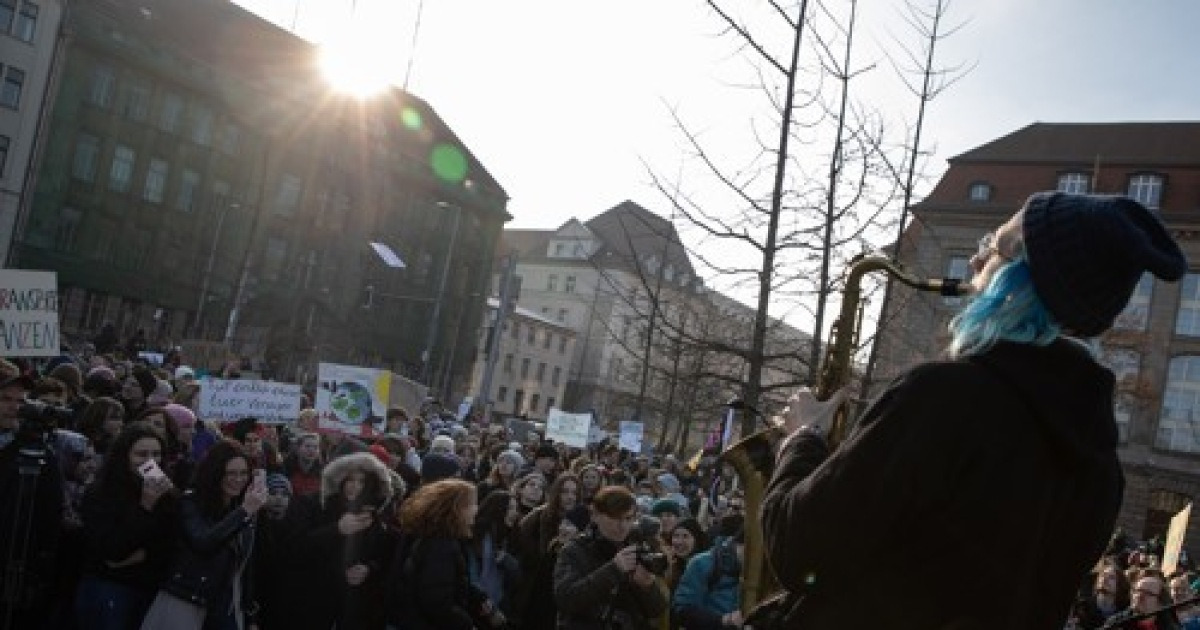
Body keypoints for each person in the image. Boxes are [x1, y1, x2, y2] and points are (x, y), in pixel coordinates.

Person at [761, 192, 1189, 628]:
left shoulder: (943, 397)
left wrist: (802, 439)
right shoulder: (1101, 472)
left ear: (1023, 279)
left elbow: (799, 549)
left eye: (994, 247)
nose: (973, 261)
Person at [145, 439, 267, 630]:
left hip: (227, 607)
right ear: (215, 473)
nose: (238, 479)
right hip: (188, 598)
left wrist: (251, 616)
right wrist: (244, 511)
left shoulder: (242, 507)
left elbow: (245, 567)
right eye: (231, 473)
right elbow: (203, 543)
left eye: (243, 473)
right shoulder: (191, 502)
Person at [76, 422, 178, 630]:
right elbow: (111, 549)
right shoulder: (101, 494)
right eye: (141, 454)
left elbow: (171, 543)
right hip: (111, 589)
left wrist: (144, 555)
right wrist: (145, 506)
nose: (150, 462)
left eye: (156, 454)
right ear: (124, 456)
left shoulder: (168, 494)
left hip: (150, 589)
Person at [386, 479, 498, 630]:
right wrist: (466, 625)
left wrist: (478, 597)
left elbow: (448, 582)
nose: (476, 509)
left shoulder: (441, 537)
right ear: (455, 509)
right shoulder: (440, 546)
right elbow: (437, 603)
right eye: (472, 504)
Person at [554, 485, 668, 630]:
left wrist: (647, 587)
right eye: (615, 518)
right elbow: (566, 600)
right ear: (595, 516)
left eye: (628, 518)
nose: (622, 526)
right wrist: (613, 570)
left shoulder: (637, 545)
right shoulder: (574, 550)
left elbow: (656, 610)